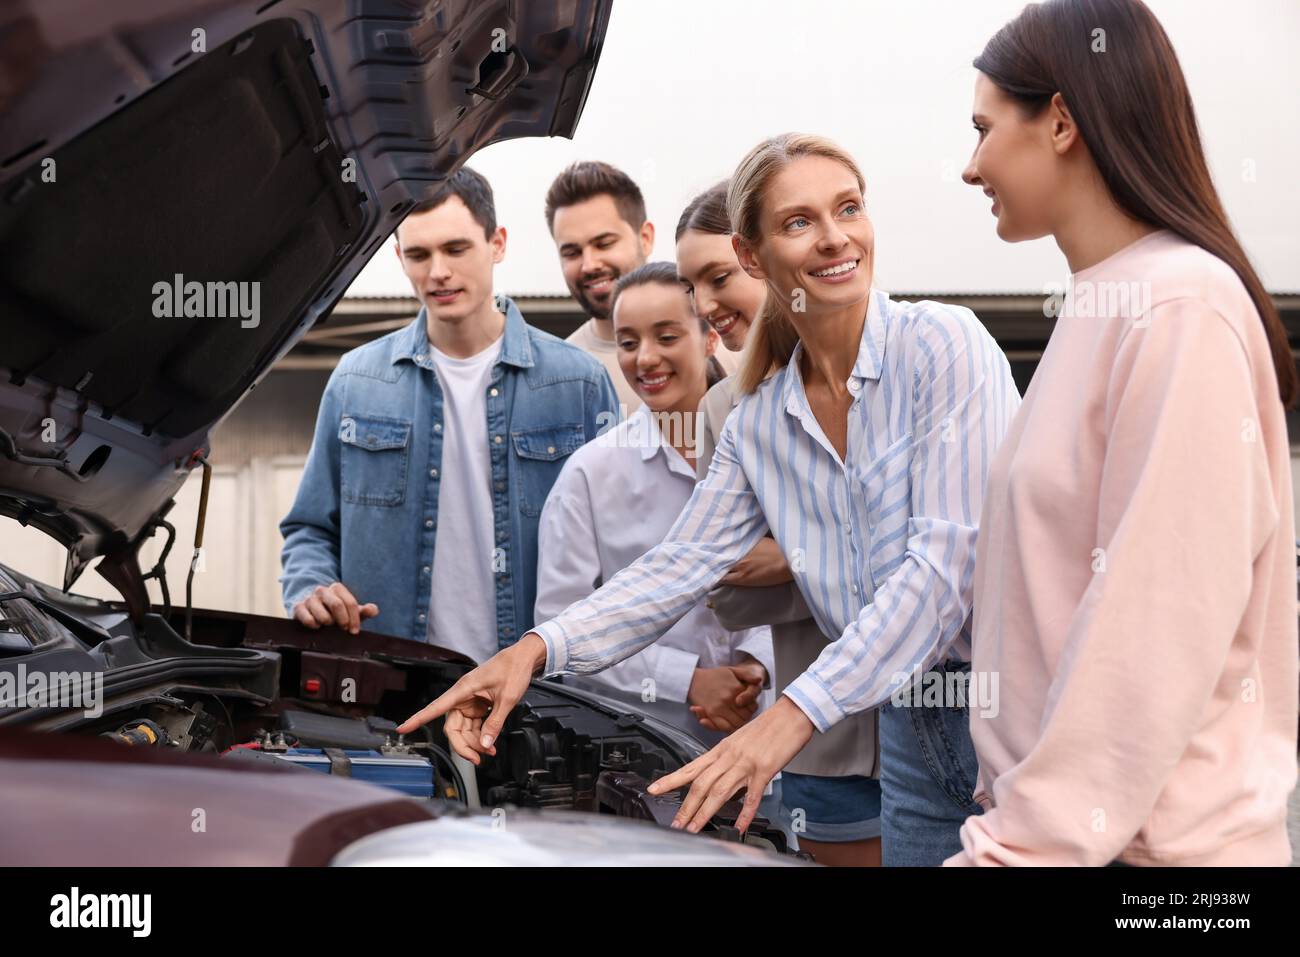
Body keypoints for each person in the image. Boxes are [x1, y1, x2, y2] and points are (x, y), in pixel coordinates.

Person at [399, 134, 1021, 867]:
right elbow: (679, 566)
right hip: (905, 722)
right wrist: (533, 651)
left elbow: (941, 572)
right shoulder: (759, 418)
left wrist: (788, 716)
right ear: (753, 254)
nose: (834, 238)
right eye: (798, 222)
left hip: (1010, 702)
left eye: (848, 208)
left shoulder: (943, 345)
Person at [950, 0, 1298, 866]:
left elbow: (1156, 621)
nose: (970, 166)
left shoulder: (1177, 304)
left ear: (1060, 121)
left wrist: (1023, 846)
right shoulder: (1113, 302)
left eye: (985, 128)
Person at [279, 167, 618, 658]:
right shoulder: (356, 382)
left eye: (456, 249)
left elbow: (620, 552)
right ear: (399, 257)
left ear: (496, 243)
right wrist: (310, 587)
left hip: (537, 689)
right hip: (391, 682)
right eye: (418, 254)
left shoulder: (578, 385)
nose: (437, 271)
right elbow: (309, 527)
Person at [677, 182, 882, 866]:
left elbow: (945, 560)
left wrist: (792, 554)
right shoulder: (725, 409)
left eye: (718, 277)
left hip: (945, 726)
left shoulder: (913, 363)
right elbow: (726, 590)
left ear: (763, 260)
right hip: (824, 750)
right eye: (691, 286)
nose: (705, 306)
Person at [535, 261, 774, 745]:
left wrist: (758, 666)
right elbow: (560, 627)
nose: (644, 359)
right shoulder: (590, 474)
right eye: (627, 342)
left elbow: (810, 583)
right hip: (637, 756)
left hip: (767, 745)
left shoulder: (770, 449)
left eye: (666, 337)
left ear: (710, 337)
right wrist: (688, 680)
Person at [544, 161, 740, 416]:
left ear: (645, 237)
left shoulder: (732, 343)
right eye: (572, 252)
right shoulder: (558, 377)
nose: (589, 265)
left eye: (604, 244)